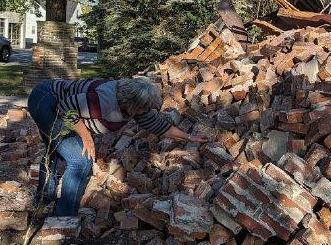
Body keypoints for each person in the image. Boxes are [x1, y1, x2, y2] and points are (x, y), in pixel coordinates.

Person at [27, 77, 207, 217]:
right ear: (133, 104)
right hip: (46, 100)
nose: (145, 112)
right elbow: (65, 108)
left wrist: (190, 137)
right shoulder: (104, 100)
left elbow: (159, 125)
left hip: (58, 104)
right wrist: (86, 135)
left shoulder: (134, 106)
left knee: (57, 151)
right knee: (80, 160)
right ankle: (63, 217)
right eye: (143, 109)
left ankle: (43, 201)